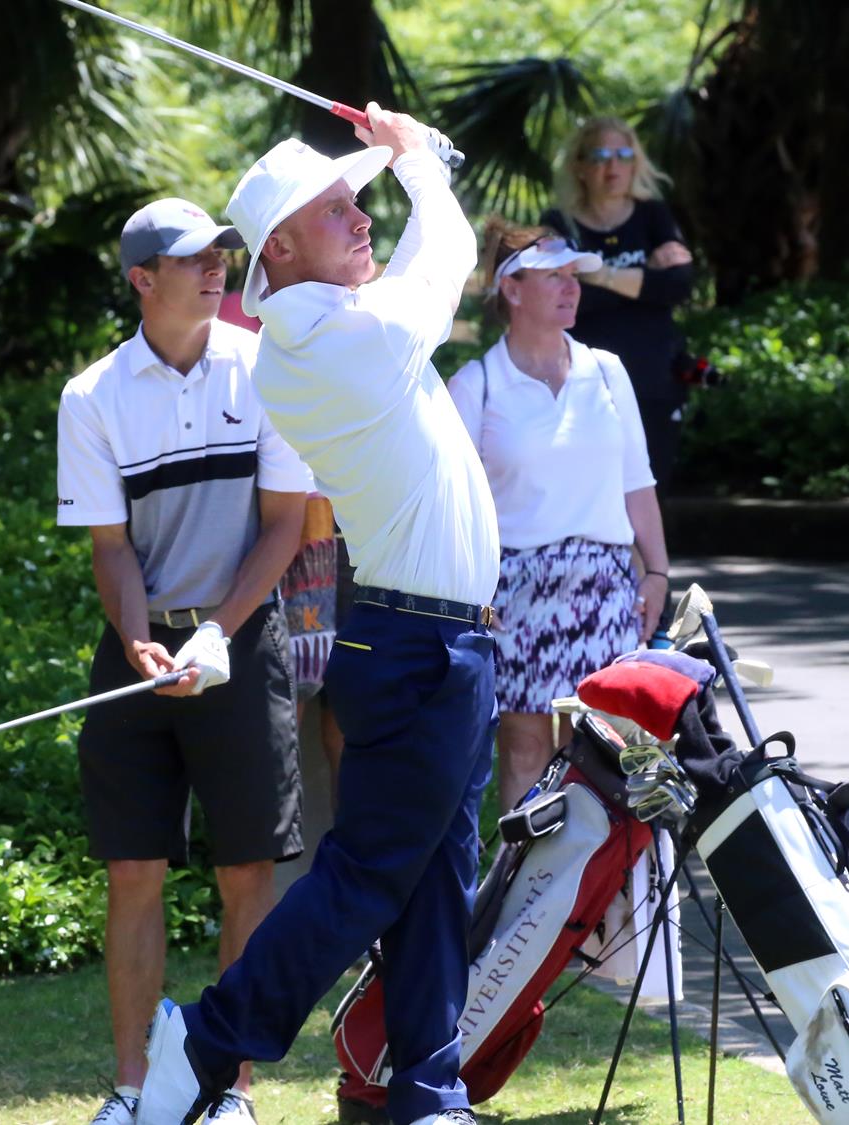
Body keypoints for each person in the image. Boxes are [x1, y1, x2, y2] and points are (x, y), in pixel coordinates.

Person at [134, 106, 496, 1125]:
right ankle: (205, 1042)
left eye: (357, 202)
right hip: (417, 639)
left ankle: (429, 1089)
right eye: (337, 209)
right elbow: (452, 250)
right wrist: (418, 164)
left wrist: (390, 156)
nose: (360, 217)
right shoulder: (341, 340)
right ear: (280, 248)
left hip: (440, 636)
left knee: (431, 876)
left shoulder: (336, 321)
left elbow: (420, 251)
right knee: (372, 872)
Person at [55, 197, 314, 1125]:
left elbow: (285, 524)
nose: (216, 269)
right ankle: (132, 1088)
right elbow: (112, 547)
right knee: (134, 869)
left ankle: (230, 1092)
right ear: (141, 279)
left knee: (248, 871)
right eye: (194, 258)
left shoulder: (266, 369)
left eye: (221, 255)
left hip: (244, 639)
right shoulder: (92, 396)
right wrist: (141, 641)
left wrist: (220, 632)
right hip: (141, 651)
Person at [449, 224, 672, 807]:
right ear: (513, 290)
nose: (571, 287)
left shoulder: (607, 371)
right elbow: (456, 510)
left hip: (604, 584)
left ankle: (611, 897)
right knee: (524, 748)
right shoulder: (477, 386)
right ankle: (528, 896)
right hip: (515, 589)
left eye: (573, 275)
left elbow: (637, 483)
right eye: (555, 276)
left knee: (605, 747)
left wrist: (656, 574)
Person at [540, 116, 697, 491]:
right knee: (588, 494)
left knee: (648, 496)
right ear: (580, 166)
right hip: (581, 383)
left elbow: (678, 285)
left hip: (654, 381)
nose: (613, 167)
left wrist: (593, 272)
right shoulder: (557, 222)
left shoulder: (654, 214)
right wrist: (643, 277)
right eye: (600, 156)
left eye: (624, 155)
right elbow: (563, 299)